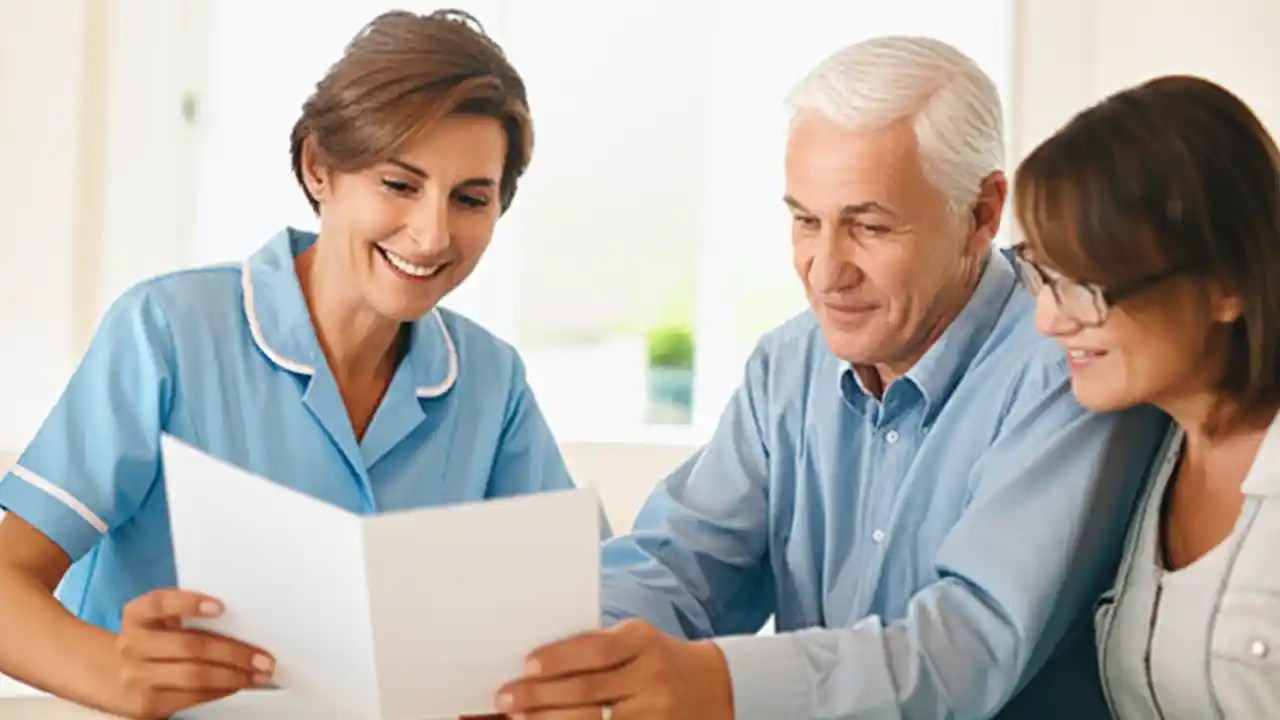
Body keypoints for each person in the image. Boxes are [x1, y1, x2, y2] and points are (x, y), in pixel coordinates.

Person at [490, 36, 1167, 719]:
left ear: (982, 214)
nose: (824, 269)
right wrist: (564, 662)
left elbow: (969, 646)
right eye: (805, 221)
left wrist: (719, 684)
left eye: (868, 227)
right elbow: (680, 563)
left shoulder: (1072, 365)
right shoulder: (788, 365)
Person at [0, 10, 581, 719]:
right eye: (399, 185)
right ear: (319, 168)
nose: (432, 234)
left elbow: (572, 620)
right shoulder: (168, 331)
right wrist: (112, 671)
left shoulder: (495, 384)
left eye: (470, 199)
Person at [1012, 75, 1280, 718]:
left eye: (1089, 286)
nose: (1048, 320)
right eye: (1042, 273)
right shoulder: (1137, 453)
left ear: (1226, 285)